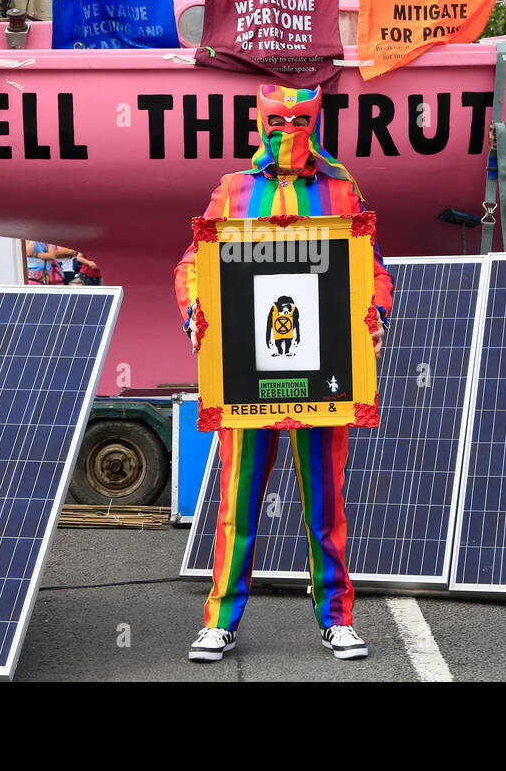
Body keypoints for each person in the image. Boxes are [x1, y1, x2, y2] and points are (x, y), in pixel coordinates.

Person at [174, 83, 393, 664]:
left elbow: (372, 266)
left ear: (317, 121)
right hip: (249, 374)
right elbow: (196, 264)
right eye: (278, 122)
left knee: (326, 505)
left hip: (324, 373)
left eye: (300, 121)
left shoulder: (341, 189)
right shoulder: (233, 190)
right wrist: (196, 309)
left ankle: (337, 618)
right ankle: (220, 619)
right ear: (259, 121)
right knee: (236, 505)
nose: (288, 132)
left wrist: (376, 314)